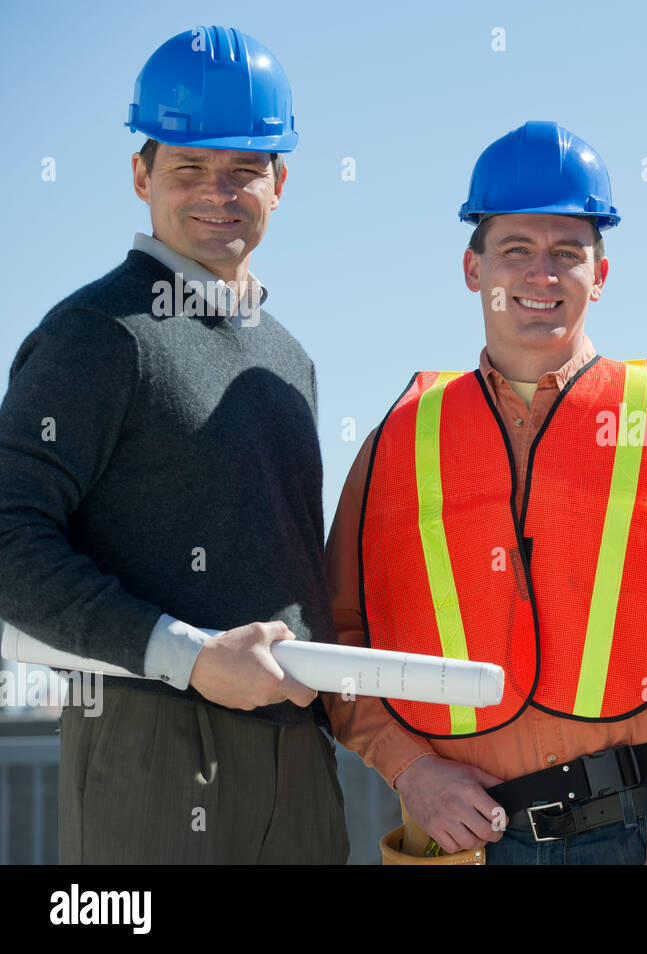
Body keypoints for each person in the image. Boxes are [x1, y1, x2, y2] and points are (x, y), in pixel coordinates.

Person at [323, 121, 647, 865]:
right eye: (516, 251)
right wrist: (411, 769)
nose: (542, 276)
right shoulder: (399, 442)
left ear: (599, 275)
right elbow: (339, 638)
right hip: (463, 841)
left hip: (646, 832)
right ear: (473, 269)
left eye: (567, 254)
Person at [0, 26, 348, 864]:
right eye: (188, 168)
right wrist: (186, 659)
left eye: (243, 170)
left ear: (281, 182)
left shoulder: (286, 357)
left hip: (298, 756)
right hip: (153, 744)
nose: (216, 193)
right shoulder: (96, 333)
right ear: (140, 175)